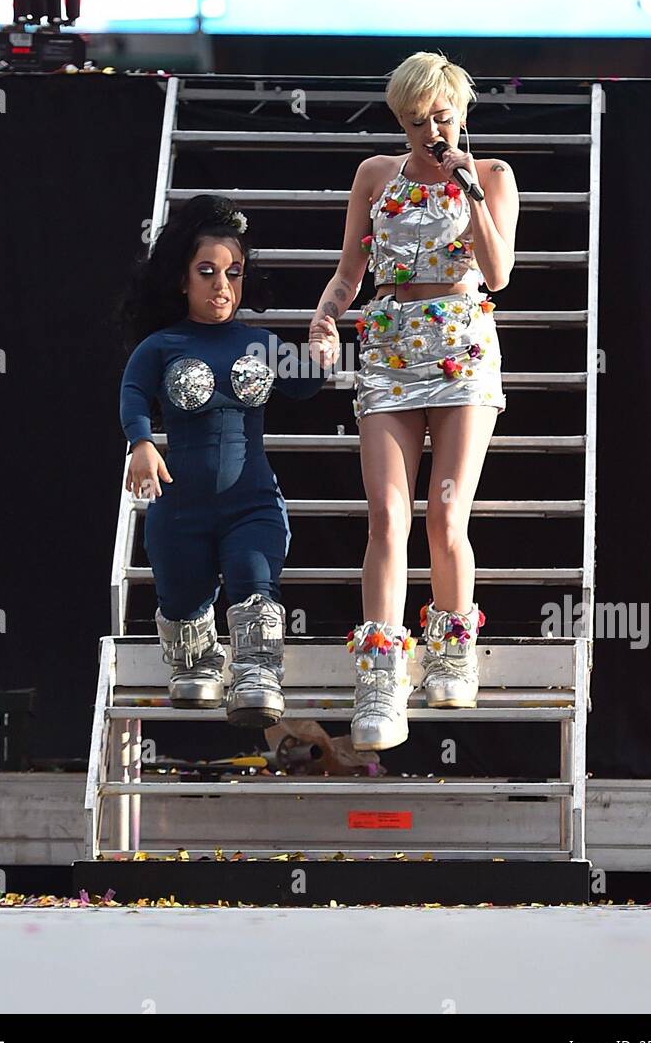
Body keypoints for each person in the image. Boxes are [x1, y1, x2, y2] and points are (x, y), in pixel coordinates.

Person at [308, 53, 519, 751]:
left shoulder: (492, 176)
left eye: (440, 117)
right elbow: (350, 270)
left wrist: (469, 189)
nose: (429, 131)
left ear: (460, 113)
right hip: (390, 349)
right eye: (414, 120)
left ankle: (453, 648)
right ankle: (381, 674)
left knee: (446, 512)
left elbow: (498, 273)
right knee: (387, 514)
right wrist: (325, 317)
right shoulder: (376, 174)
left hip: (461, 347)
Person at [118, 194, 339, 726]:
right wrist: (141, 443)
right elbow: (133, 393)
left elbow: (303, 384)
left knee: (253, 574)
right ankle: (195, 661)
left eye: (233, 273)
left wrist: (324, 355)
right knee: (182, 588)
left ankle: (257, 670)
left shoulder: (260, 342)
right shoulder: (160, 345)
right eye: (208, 272)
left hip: (251, 502)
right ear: (182, 279)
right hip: (180, 507)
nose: (222, 285)